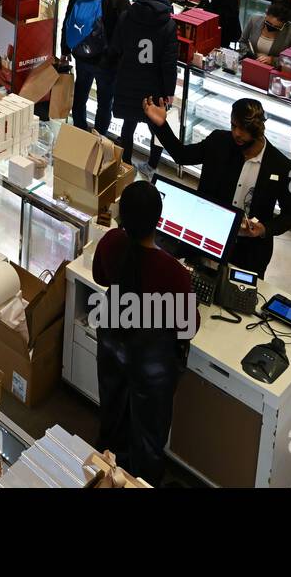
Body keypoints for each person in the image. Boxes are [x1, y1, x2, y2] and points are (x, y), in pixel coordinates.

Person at [92, 181, 197, 485]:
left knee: (112, 412)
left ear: (121, 214)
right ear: (159, 221)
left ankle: (106, 471)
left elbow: (100, 275)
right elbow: (188, 325)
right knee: (149, 434)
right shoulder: (172, 270)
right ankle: (142, 480)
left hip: (113, 338)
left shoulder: (111, 242)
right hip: (150, 358)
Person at [146, 92, 291, 277]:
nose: (236, 133)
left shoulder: (287, 168)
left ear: (258, 129)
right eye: (234, 125)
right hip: (206, 239)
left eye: (243, 128)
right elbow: (182, 155)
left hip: (250, 254)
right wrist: (161, 125)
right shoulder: (218, 141)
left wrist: (264, 229)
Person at [111, 0, 178, 175]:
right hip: (153, 85)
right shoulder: (168, 24)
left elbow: (116, 47)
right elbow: (169, 63)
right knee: (156, 127)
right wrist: (169, 91)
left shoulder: (126, 16)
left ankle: (126, 163)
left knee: (128, 124)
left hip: (128, 80)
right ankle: (151, 166)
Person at [61, 0, 129, 135]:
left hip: (81, 52)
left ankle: (79, 131)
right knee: (105, 101)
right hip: (105, 60)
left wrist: (65, 48)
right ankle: (97, 138)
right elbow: (123, 33)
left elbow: (68, 17)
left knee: (81, 93)